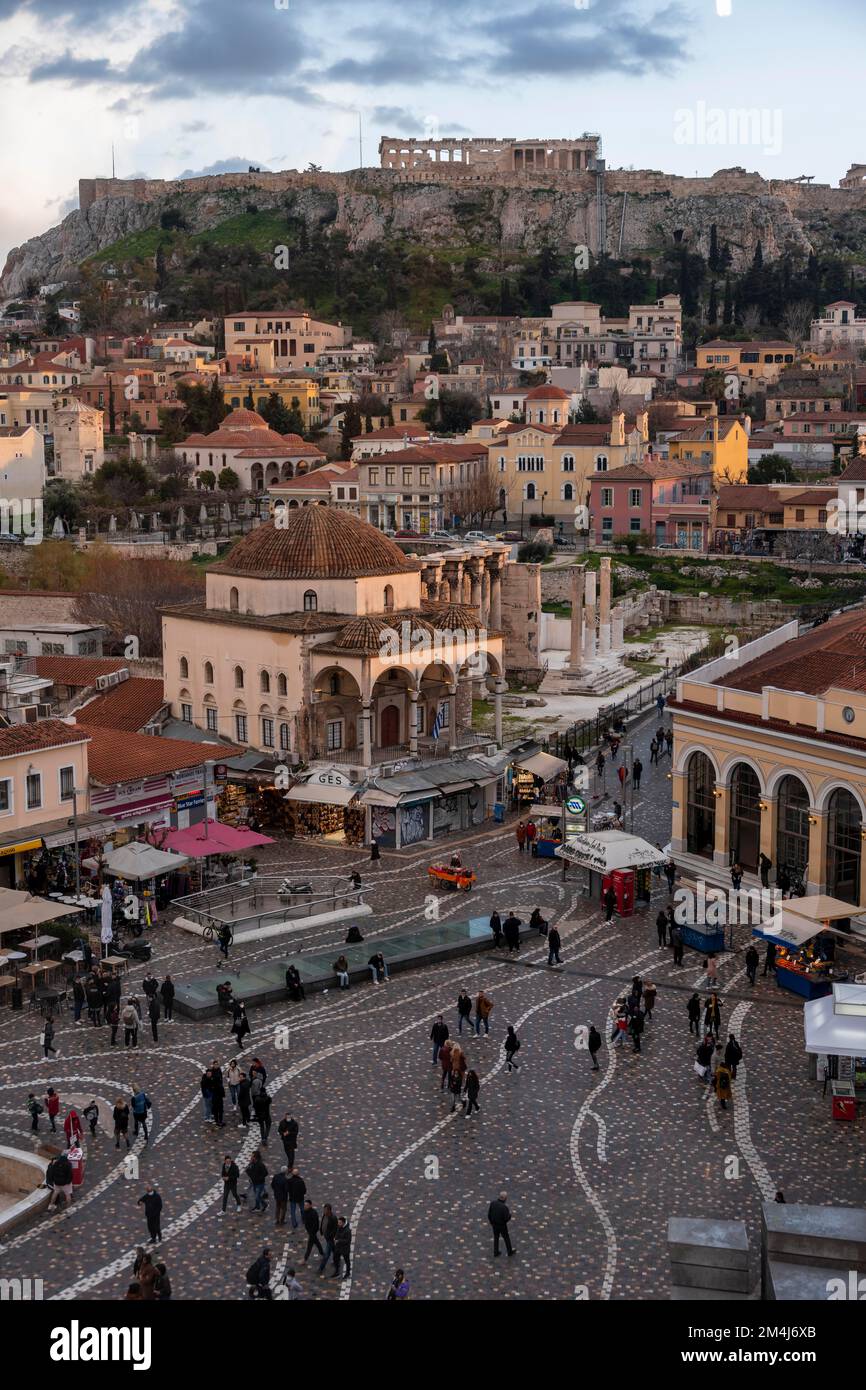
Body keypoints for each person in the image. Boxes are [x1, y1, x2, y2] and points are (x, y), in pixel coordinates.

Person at [488, 1192, 514, 1257]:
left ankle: (496, 1252)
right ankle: (509, 1251)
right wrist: (510, 1215)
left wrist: (491, 1222)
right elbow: (506, 1218)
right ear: (505, 1198)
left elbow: (489, 1214)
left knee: (496, 1237)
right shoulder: (504, 1207)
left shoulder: (493, 1203)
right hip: (502, 1225)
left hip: (494, 1224)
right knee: (506, 1238)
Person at [318, 1203, 339, 1274]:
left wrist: (330, 1236)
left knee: (326, 1254)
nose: (324, 1212)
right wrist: (321, 1230)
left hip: (329, 1238)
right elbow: (322, 1222)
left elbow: (335, 1229)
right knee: (333, 1249)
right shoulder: (325, 1215)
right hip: (326, 1237)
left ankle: (321, 1268)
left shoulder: (333, 1218)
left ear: (329, 1210)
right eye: (324, 1210)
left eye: (326, 1210)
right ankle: (337, 1259)